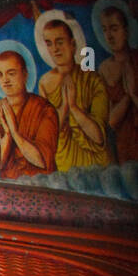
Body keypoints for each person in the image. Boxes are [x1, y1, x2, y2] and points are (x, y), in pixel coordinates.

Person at [38, 18, 110, 170]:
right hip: (65, 165)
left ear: (73, 45)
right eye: (49, 44)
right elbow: (49, 135)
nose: (55, 49)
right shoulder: (44, 83)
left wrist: (74, 107)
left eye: (60, 42)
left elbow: (98, 137)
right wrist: (64, 107)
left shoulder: (92, 79)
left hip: (96, 164)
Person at [0, 50, 57, 179]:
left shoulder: (44, 109)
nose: (5, 80)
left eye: (11, 73)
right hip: (9, 183)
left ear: (25, 75)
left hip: (41, 182)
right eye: (0, 75)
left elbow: (42, 161)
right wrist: (7, 135)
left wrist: (15, 133)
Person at [98, 5, 138, 163]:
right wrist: (127, 98)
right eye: (105, 30)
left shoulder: (136, 59)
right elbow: (109, 121)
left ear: (126, 30)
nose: (109, 36)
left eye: (114, 29)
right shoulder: (104, 68)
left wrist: (134, 96)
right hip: (123, 142)